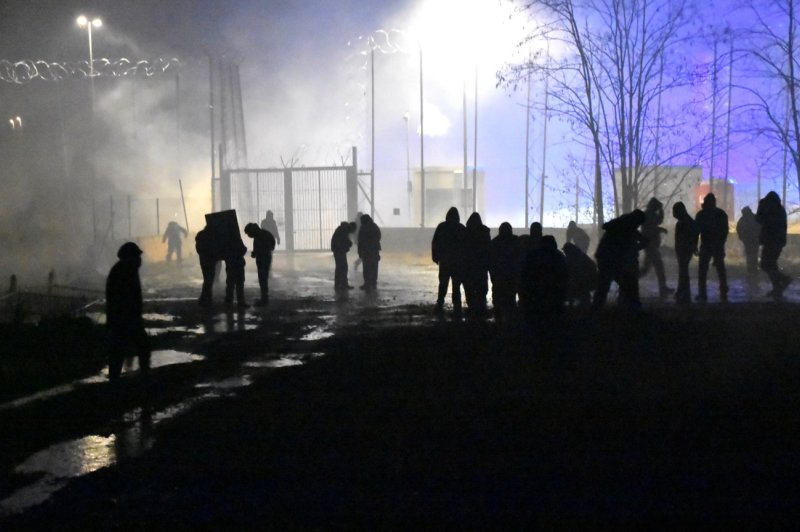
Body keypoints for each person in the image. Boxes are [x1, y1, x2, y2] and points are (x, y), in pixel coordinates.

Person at [105, 242, 150, 383]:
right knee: (137, 347)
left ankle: (115, 380)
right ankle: (143, 377)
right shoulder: (123, 271)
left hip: (125, 318)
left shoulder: (125, 269)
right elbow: (121, 298)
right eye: (137, 256)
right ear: (130, 257)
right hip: (125, 318)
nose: (139, 260)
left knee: (119, 350)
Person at [592, 209, 648, 311]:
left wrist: (634, 247)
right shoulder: (625, 226)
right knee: (620, 285)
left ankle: (596, 310)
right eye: (638, 223)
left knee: (606, 286)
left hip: (608, 258)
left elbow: (640, 241)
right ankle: (633, 309)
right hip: (609, 259)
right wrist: (634, 248)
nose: (638, 226)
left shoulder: (624, 224)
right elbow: (632, 242)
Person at [519, 235, 568, 328]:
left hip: (536, 294)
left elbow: (524, 275)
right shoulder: (559, 256)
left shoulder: (533, 255)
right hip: (554, 294)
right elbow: (565, 275)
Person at [756, 191, 792, 299]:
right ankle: (777, 288)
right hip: (777, 241)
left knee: (766, 264)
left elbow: (759, 219)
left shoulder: (768, 209)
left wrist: (761, 207)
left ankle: (782, 282)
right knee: (771, 264)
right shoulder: (780, 210)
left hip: (770, 240)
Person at [432, 207, 467, 315]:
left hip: (445, 261)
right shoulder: (461, 228)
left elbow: (435, 242)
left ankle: (440, 303)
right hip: (457, 262)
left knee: (443, 283)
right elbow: (466, 245)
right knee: (456, 285)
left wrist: (435, 256)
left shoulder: (442, 227)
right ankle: (457, 306)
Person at [695, 193, 729, 302]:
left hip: (706, 244)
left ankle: (702, 293)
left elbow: (696, 231)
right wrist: (721, 243)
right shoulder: (720, 214)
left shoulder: (701, 214)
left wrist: (695, 245)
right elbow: (724, 231)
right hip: (717, 244)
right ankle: (723, 291)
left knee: (703, 270)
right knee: (720, 269)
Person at [639, 197, 673, 297]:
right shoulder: (649, 214)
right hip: (650, 245)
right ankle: (663, 288)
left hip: (650, 245)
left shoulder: (649, 213)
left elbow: (658, 222)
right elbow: (652, 228)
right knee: (658, 266)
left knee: (646, 268)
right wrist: (660, 229)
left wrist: (661, 212)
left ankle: (628, 281)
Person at [489, 222, 520, 321]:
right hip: (511, 276)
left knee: (498, 300)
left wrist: (493, 275)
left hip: (499, 277)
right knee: (510, 300)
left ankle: (497, 326)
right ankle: (511, 326)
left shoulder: (494, 242)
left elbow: (491, 261)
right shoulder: (516, 241)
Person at [464, 212, 491, 317]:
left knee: (469, 288)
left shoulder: (466, 232)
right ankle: (481, 308)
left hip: (469, 266)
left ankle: (471, 308)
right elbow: (488, 248)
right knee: (482, 289)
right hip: (481, 265)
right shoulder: (484, 232)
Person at [672, 201, 699, 305]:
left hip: (684, 250)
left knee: (683, 271)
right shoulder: (688, 221)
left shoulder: (684, 222)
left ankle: (683, 292)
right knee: (683, 270)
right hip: (685, 249)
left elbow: (684, 237)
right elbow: (695, 234)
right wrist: (694, 247)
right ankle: (683, 291)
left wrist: (692, 246)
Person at [244, 222, 276, 306]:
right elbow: (272, 244)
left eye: (249, 234)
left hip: (263, 259)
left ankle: (264, 298)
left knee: (262, 278)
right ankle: (264, 297)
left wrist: (257, 252)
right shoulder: (264, 234)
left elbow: (262, 247)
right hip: (264, 258)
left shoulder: (260, 237)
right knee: (263, 278)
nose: (249, 236)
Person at [562, 241, 597, 307]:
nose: (564, 253)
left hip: (585, 280)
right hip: (590, 279)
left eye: (565, 251)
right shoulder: (579, 254)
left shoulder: (572, 257)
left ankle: (573, 306)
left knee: (573, 288)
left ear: (567, 250)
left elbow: (571, 271)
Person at [195, 225, 220, 307]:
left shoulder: (201, 236)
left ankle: (206, 298)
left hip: (204, 260)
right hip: (210, 261)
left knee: (207, 279)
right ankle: (205, 298)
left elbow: (198, 249)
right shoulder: (212, 237)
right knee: (209, 280)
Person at [736, 206, 761, 285]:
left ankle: (751, 271)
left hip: (748, 240)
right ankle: (754, 271)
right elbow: (761, 227)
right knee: (754, 255)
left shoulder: (743, 219)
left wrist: (740, 236)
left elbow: (738, 228)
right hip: (754, 240)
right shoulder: (755, 217)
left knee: (749, 255)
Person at [223, 233, 248, 308]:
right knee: (240, 284)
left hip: (230, 265)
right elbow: (243, 250)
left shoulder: (225, 241)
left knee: (230, 284)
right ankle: (241, 302)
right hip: (239, 264)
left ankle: (228, 301)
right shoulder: (237, 239)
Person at [357, 214, 381, 292]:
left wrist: (360, 251)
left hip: (366, 251)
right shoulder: (374, 226)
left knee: (367, 268)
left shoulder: (363, 228)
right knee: (374, 267)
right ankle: (373, 283)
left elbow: (360, 240)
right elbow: (378, 237)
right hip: (374, 250)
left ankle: (367, 283)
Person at [331, 221, 357, 291]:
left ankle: (339, 284)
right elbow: (342, 241)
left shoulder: (342, 229)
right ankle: (343, 284)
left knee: (340, 267)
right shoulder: (344, 231)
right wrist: (349, 243)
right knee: (342, 267)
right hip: (339, 251)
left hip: (338, 250)